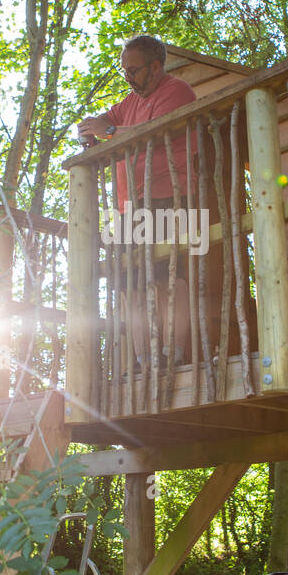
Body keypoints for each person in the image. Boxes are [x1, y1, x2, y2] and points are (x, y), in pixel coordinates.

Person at [78, 35, 197, 371]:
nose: (127, 76)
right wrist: (88, 130)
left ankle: (171, 354)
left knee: (168, 277)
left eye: (133, 70)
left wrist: (109, 131)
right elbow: (103, 122)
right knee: (128, 283)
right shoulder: (128, 102)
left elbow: (151, 134)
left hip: (168, 197)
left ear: (156, 66)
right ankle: (145, 360)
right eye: (124, 70)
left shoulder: (177, 91)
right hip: (127, 207)